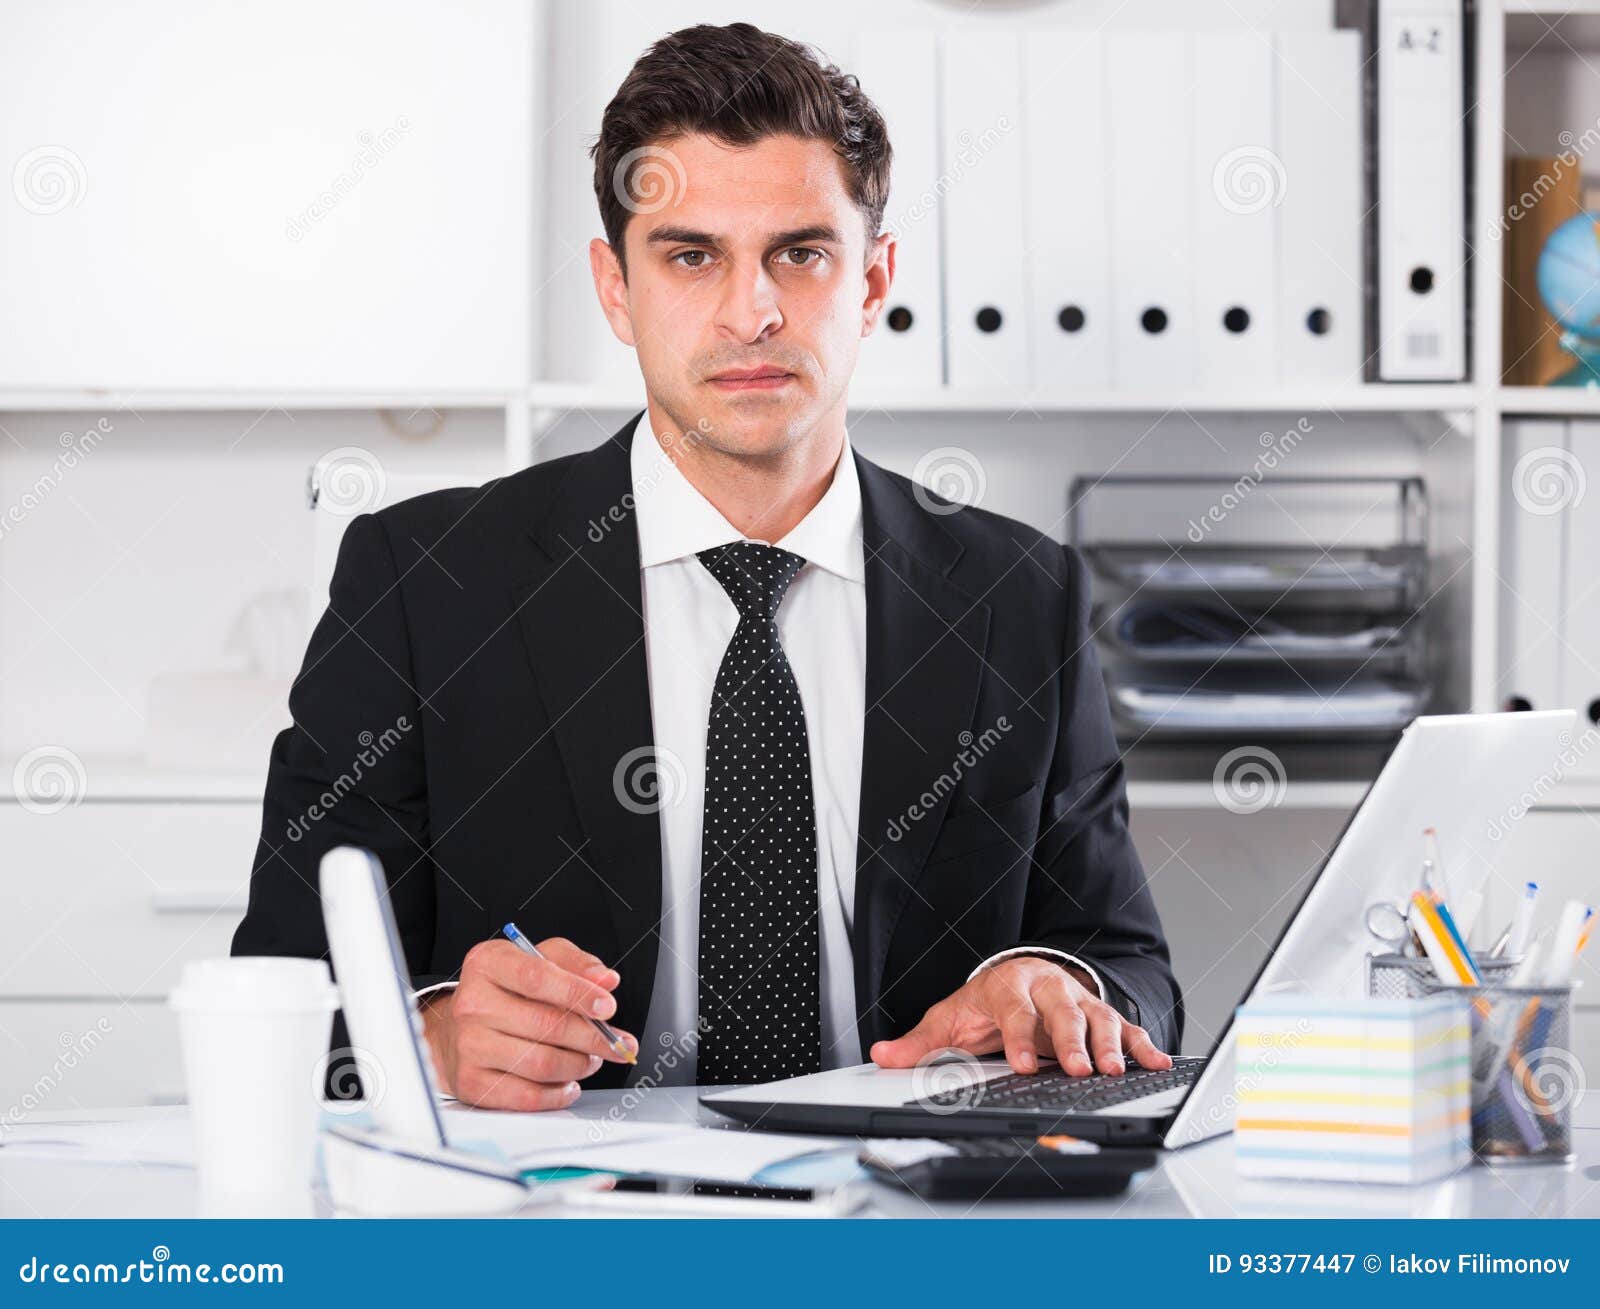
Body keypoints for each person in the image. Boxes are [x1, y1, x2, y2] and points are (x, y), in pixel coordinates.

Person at [233, 21, 1182, 1111]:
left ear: (872, 281)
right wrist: (430, 1032)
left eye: (802, 253)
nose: (753, 312)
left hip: (904, 1213)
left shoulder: (1021, 595)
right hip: (559, 1226)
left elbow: (1134, 967)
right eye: (691, 256)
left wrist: (1050, 979)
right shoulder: (423, 582)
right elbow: (281, 988)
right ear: (615, 288)